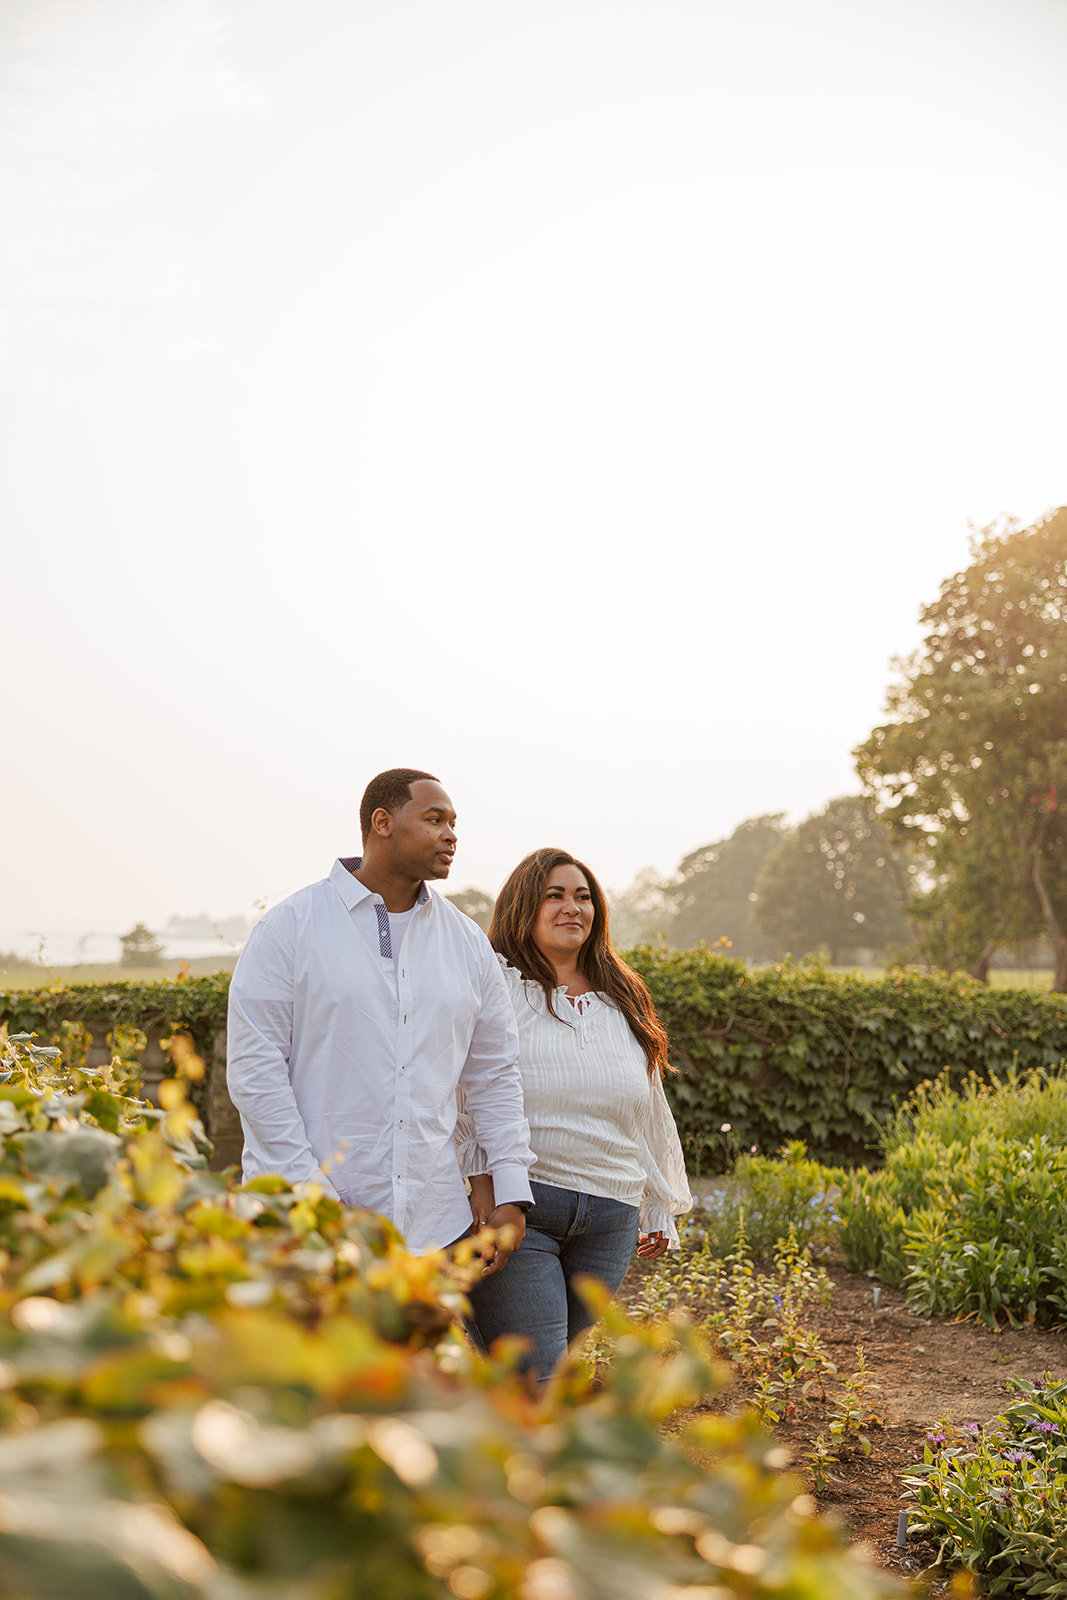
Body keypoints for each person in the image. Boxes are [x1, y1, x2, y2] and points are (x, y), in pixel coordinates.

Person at [226, 768, 535, 1266]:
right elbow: (255, 1074)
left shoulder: (466, 942)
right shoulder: (289, 927)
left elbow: (495, 1074)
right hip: (303, 1230)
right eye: (434, 819)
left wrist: (511, 1190)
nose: (450, 835)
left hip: (433, 1230)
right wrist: (313, 1198)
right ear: (382, 822)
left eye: (454, 823)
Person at [459, 847, 692, 1378]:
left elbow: (646, 1103)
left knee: (547, 1375)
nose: (573, 908)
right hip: (523, 1208)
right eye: (555, 896)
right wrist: (483, 1186)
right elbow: (465, 1091)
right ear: (523, 906)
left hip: (610, 1218)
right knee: (537, 1379)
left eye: (583, 897)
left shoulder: (622, 994)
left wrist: (656, 1202)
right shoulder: (495, 985)